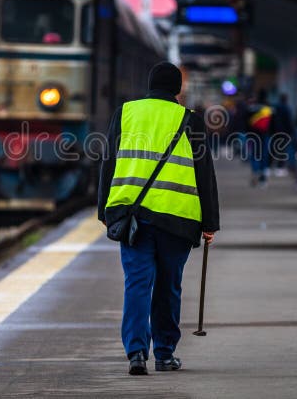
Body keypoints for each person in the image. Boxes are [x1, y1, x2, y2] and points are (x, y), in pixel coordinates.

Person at [98, 62, 220, 376]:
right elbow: (203, 172)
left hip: (133, 217)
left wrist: (104, 211)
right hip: (177, 218)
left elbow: (108, 163)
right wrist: (210, 223)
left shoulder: (125, 113)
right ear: (178, 89)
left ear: (149, 84)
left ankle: (137, 353)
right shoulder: (189, 119)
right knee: (169, 286)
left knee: (137, 284)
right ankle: (165, 354)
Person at [246, 89, 272, 186]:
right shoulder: (268, 109)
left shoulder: (252, 108)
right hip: (265, 135)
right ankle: (263, 177)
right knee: (264, 156)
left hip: (253, 136)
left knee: (254, 156)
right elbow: (273, 124)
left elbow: (247, 123)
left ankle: (255, 174)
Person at [269, 93, 294, 176]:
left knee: (272, 149)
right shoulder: (287, 109)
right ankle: (279, 168)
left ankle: (269, 167)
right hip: (284, 133)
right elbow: (289, 121)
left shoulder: (274, 108)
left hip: (274, 132)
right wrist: (291, 131)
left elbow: (271, 120)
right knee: (282, 150)